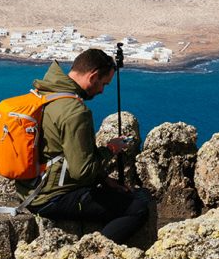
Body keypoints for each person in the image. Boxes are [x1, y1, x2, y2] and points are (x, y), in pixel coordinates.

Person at [21, 47, 150, 243]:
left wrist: (105, 180)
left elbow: (64, 154)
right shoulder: (75, 112)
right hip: (51, 198)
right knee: (137, 208)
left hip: (30, 189)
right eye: (103, 84)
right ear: (93, 76)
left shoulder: (47, 94)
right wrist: (110, 150)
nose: (101, 90)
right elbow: (82, 172)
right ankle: (96, 252)